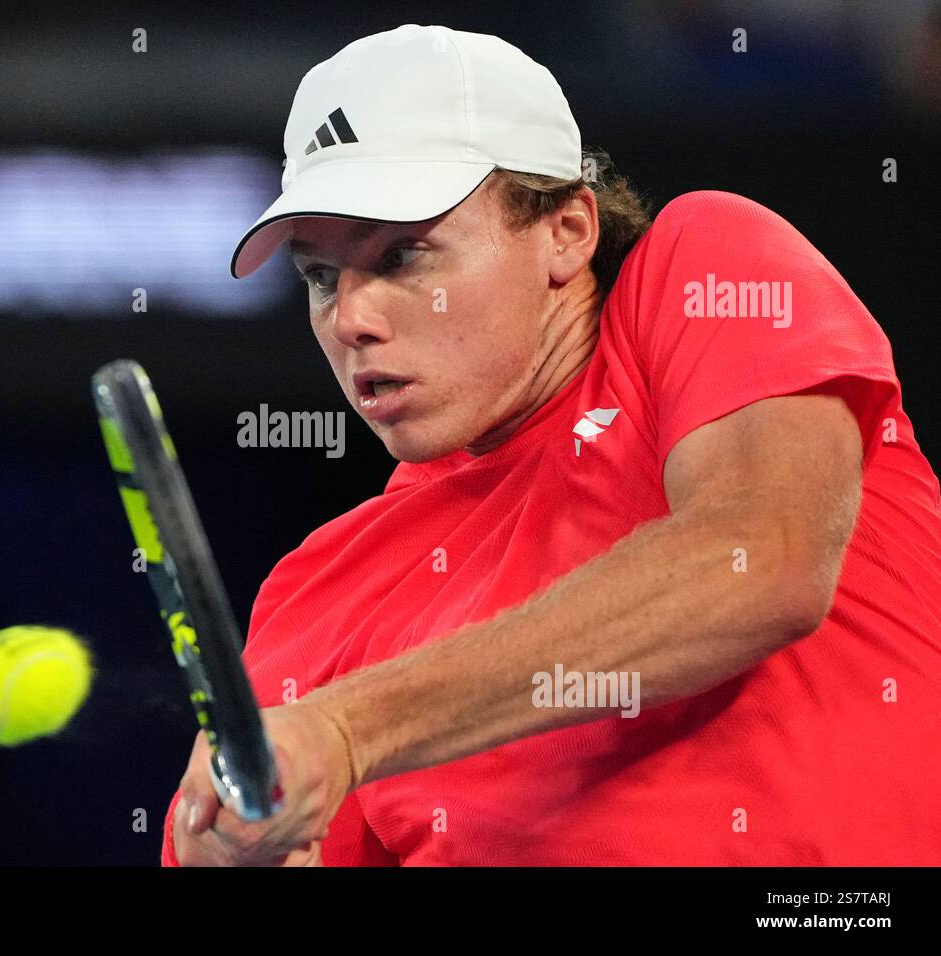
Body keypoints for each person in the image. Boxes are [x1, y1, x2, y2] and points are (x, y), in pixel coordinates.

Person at [162, 23, 941, 866]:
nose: (351, 318)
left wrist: (349, 728)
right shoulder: (313, 600)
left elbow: (763, 559)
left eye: (403, 256)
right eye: (321, 277)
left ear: (567, 231)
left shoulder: (708, 270)